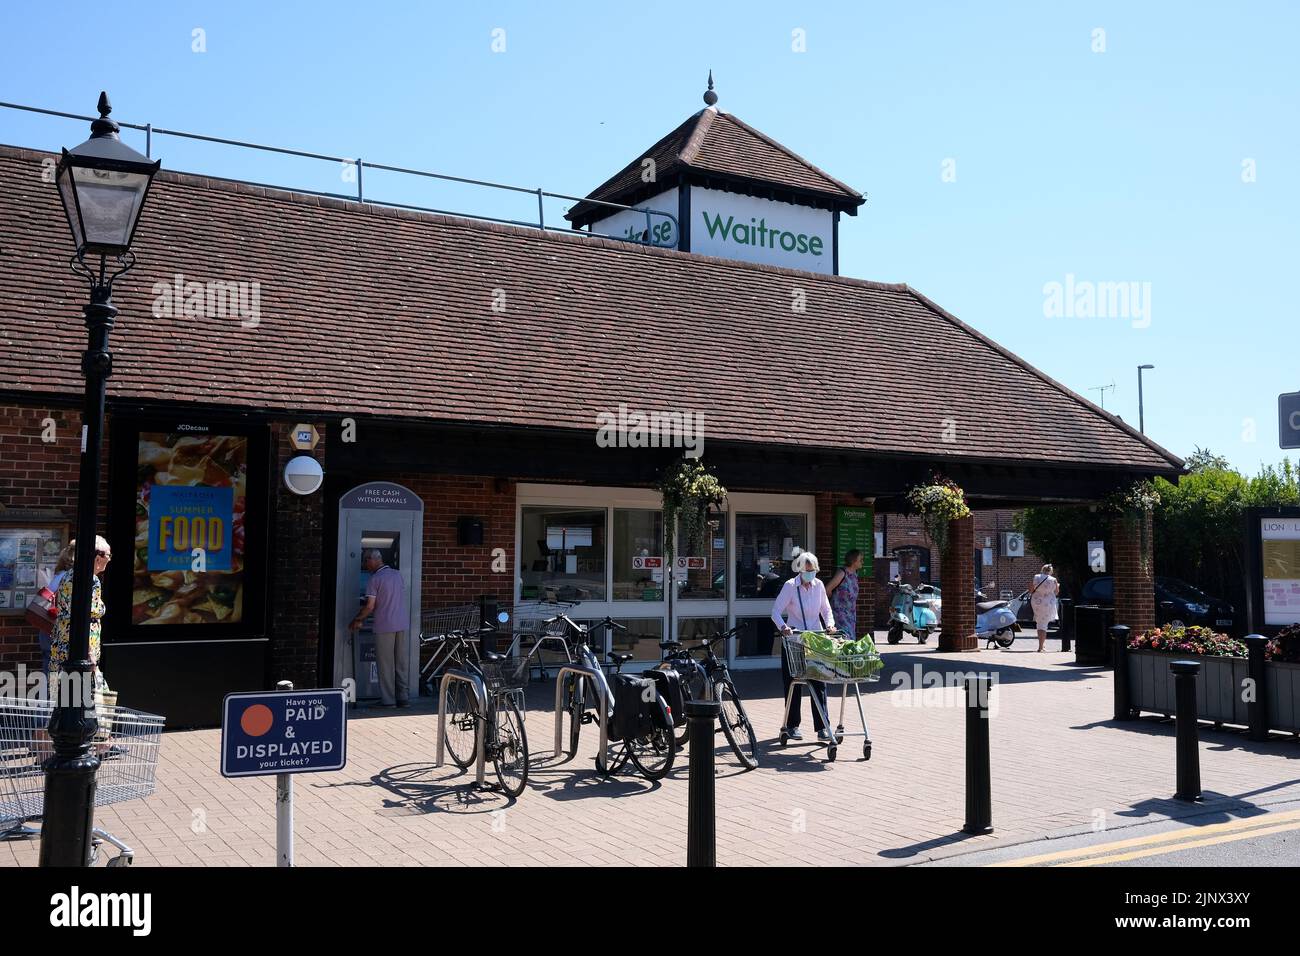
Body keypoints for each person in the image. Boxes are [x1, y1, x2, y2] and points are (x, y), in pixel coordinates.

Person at [770, 551, 835, 742]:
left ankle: (823, 727)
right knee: (793, 683)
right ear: (800, 569)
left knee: (819, 682)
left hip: (815, 639)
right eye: (807, 570)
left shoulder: (819, 585)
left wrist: (830, 624)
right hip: (795, 641)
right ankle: (791, 725)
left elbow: (826, 608)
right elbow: (775, 611)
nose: (810, 574)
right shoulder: (790, 586)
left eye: (813, 570)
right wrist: (784, 627)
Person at [48, 536, 112, 694]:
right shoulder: (91, 580)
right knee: (90, 700)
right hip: (80, 652)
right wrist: (90, 655)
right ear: (98, 558)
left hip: (61, 645)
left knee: (60, 700)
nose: (109, 560)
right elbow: (85, 617)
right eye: (108, 555)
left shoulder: (67, 576)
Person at [350, 549, 410, 707]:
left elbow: (370, 606)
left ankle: (388, 700)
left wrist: (357, 619)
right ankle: (403, 698)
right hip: (401, 623)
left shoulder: (375, 579)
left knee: (385, 665)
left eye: (365, 560)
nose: (365, 564)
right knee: (400, 663)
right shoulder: (397, 575)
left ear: (372, 560)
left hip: (385, 625)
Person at [826, 549, 864, 640]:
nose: (862, 562)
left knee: (849, 640)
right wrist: (836, 602)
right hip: (840, 614)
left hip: (851, 614)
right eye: (860, 559)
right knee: (845, 639)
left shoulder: (855, 574)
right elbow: (827, 589)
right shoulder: (842, 573)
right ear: (853, 561)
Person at [1028, 563, 1060, 652]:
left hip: (1037, 602)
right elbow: (1057, 592)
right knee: (1044, 625)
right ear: (1051, 571)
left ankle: (1041, 645)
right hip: (1048, 603)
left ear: (1042, 569)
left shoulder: (1036, 577)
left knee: (1039, 623)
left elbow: (1031, 590)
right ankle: (1041, 647)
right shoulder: (1053, 580)